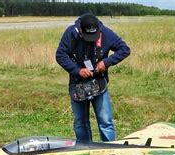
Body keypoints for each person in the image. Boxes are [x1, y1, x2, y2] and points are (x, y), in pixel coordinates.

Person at [56, 13, 130, 142]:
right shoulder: (70, 33)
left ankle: (109, 151)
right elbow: (60, 55)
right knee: (80, 122)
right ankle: (86, 150)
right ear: (80, 30)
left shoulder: (105, 33)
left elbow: (124, 49)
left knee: (105, 121)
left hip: (99, 83)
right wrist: (77, 70)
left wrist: (106, 63)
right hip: (77, 83)